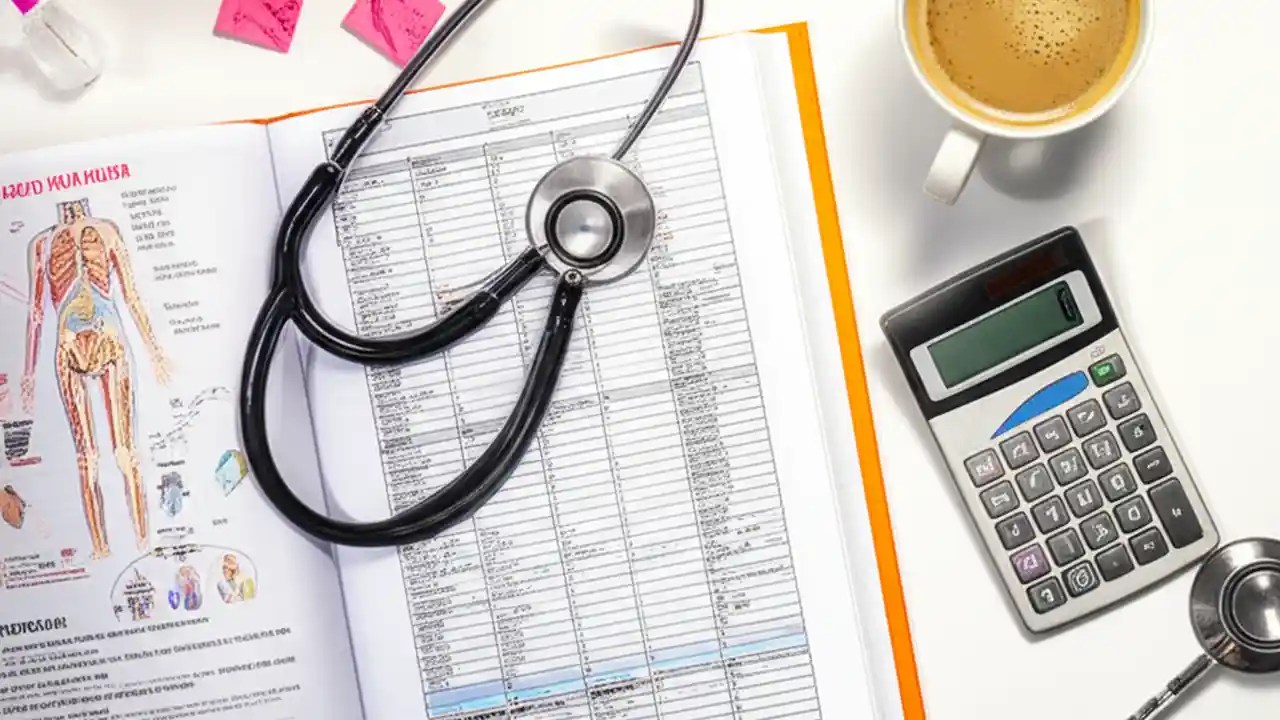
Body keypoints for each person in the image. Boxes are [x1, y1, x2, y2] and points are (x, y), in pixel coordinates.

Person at [20, 199, 170, 558]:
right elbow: (36, 311)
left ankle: (142, 542)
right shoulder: (41, 245)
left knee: (124, 455)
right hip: (72, 348)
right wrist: (27, 374)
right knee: (88, 458)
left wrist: (154, 351)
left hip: (108, 341)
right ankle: (102, 548)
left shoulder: (107, 231)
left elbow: (131, 294)